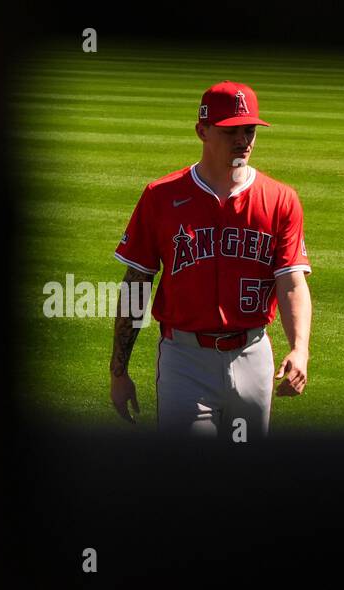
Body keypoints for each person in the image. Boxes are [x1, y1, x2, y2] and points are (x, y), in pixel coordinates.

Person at [108, 80, 313, 437]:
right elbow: (136, 285)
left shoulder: (281, 200)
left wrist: (300, 349)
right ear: (202, 130)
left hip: (253, 354)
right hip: (186, 359)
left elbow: (292, 282)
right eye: (231, 130)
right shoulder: (161, 196)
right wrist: (118, 372)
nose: (243, 140)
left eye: (249, 130)